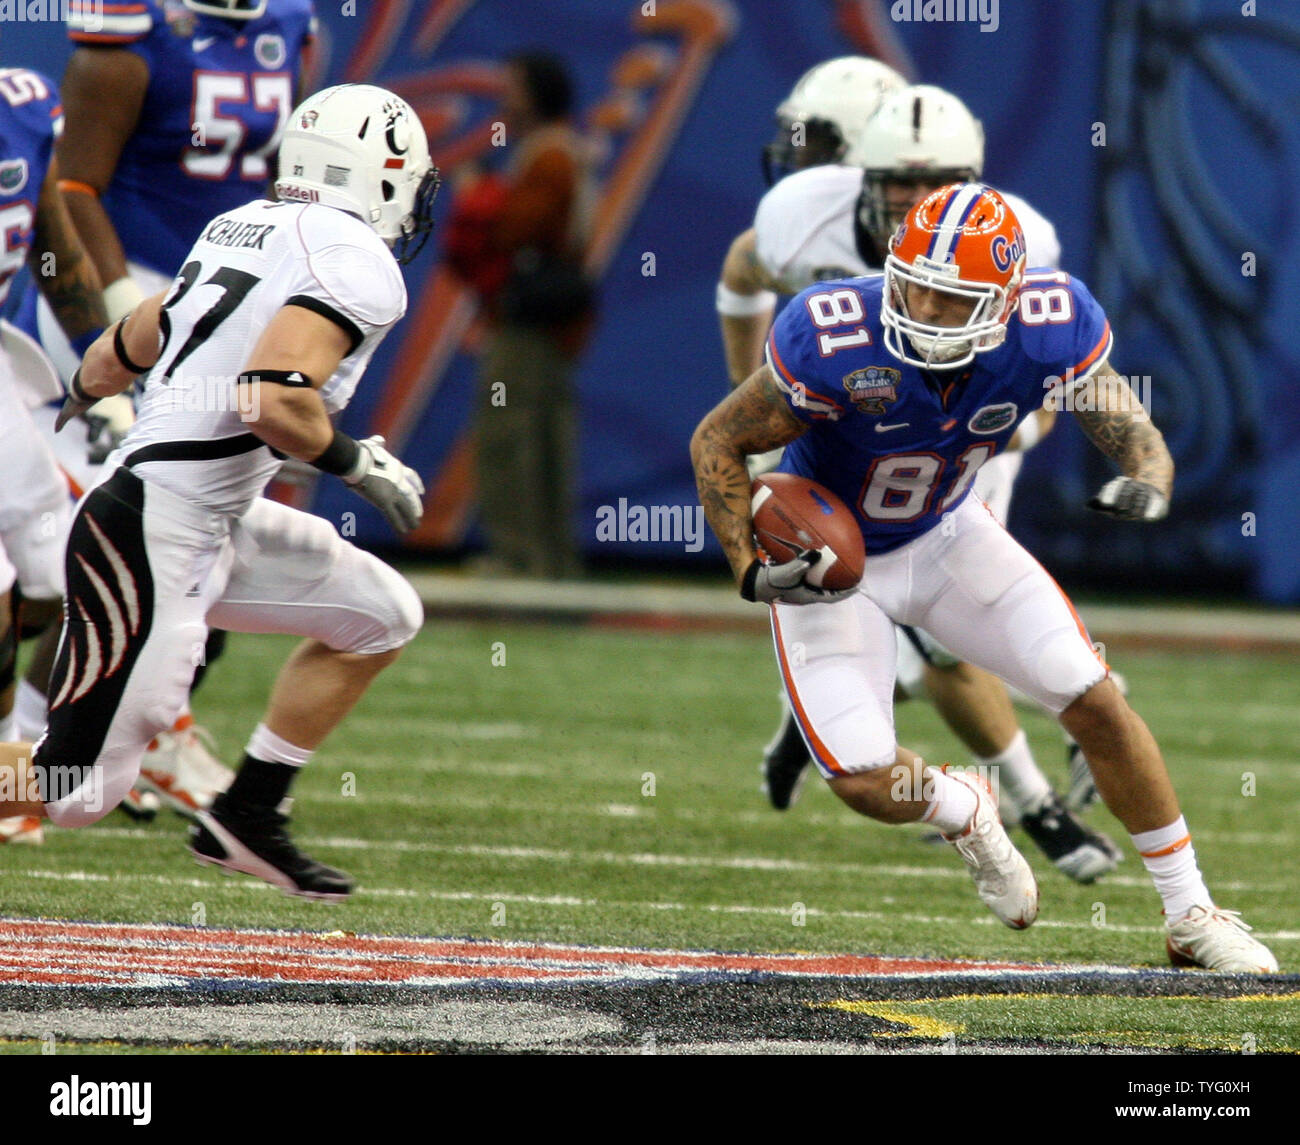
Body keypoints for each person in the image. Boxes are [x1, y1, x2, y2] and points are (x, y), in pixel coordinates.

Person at [690, 183, 1278, 973]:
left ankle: (1191, 913)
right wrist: (752, 567)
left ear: (1003, 303)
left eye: (950, 297)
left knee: (1094, 697)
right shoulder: (834, 335)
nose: (923, 309)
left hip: (946, 535)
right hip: (831, 568)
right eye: (914, 285)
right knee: (862, 778)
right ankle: (962, 805)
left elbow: (1123, 420)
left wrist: (1148, 470)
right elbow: (716, 441)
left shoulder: (1047, 322)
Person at [0, 83, 438, 900]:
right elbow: (269, 397)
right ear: (377, 177)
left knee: (381, 616)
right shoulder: (357, 261)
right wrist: (360, 464)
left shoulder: (242, 222)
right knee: (74, 791)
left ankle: (248, 814)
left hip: (201, 515)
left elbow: (116, 351)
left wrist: (96, 390)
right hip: (157, 531)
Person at [718, 80, 1117, 882]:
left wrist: (1006, 433)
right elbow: (743, 271)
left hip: (961, 452)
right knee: (884, 614)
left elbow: (1040, 377)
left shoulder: (1018, 242)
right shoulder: (808, 216)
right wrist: (754, 422)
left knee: (944, 634)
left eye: (934, 187)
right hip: (842, 442)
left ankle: (1030, 796)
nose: (914, 203)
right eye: (898, 184)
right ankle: (1022, 796)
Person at [11, 0, 317, 818]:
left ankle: (102, 738)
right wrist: (119, 308)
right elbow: (74, 190)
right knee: (79, 543)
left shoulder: (290, 22)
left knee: (201, 523)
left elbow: (293, 173)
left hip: (227, 292)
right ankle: (54, 739)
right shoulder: (130, 33)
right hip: (129, 293)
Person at [0, 65, 108, 844]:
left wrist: (112, 372)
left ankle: (16, 757)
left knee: (58, 574)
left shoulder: (26, 110)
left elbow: (56, 254)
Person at [443, 50, 595, 579]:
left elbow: (514, 232)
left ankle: (518, 560)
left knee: (511, 437)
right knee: (544, 437)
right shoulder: (553, 151)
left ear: (534, 93)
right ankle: (550, 564)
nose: (505, 99)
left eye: (513, 88)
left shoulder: (549, 156)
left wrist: (477, 194)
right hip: (545, 320)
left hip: (530, 322)